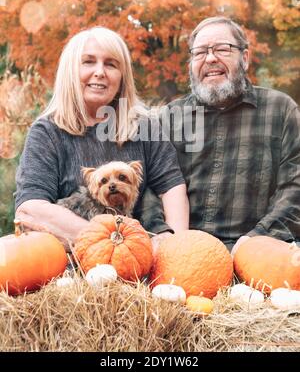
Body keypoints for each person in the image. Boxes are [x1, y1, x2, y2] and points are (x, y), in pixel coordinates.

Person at [15, 27, 189, 250]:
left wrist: (176, 247)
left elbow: (172, 187)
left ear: (122, 76)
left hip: (137, 262)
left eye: (111, 64)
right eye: (88, 62)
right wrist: (110, 242)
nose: (100, 72)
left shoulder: (144, 126)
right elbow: (30, 208)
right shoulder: (47, 132)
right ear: (70, 71)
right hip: (71, 261)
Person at [139, 16, 300, 254]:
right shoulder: (168, 117)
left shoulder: (281, 109)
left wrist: (256, 239)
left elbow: (295, 188)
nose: (211, 58)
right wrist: (163, 233)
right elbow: (146, 186)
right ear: (191, 63)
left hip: (258, 252)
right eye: (200, 52)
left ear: (244, 58)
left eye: (223, 49)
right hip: (181, 254)